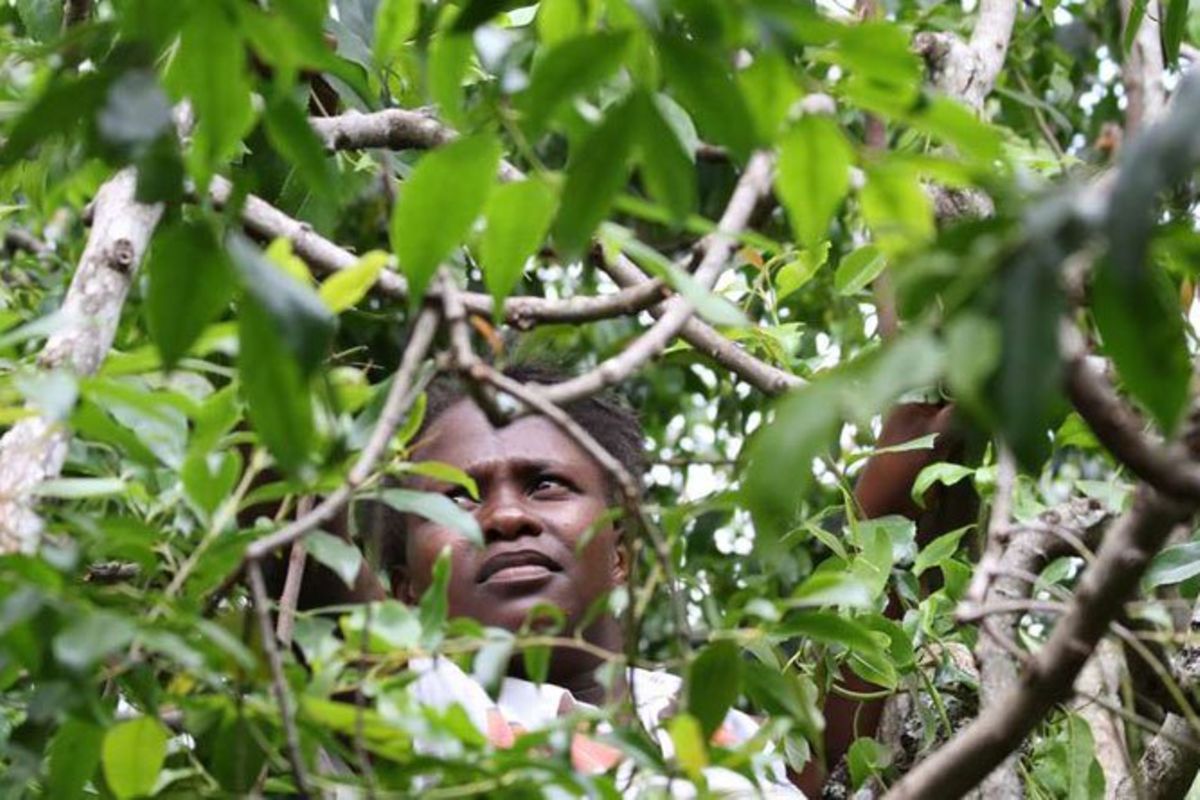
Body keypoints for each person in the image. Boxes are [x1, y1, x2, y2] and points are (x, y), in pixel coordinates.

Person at [274, 362, 963, 796]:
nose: (505, 516)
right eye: (458, 497)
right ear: (399, 590)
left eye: (545, 484)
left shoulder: (719, 728)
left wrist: (889, 502)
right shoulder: (404, 705)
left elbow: (834, 748)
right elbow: (292, 520)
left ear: (622, 552)